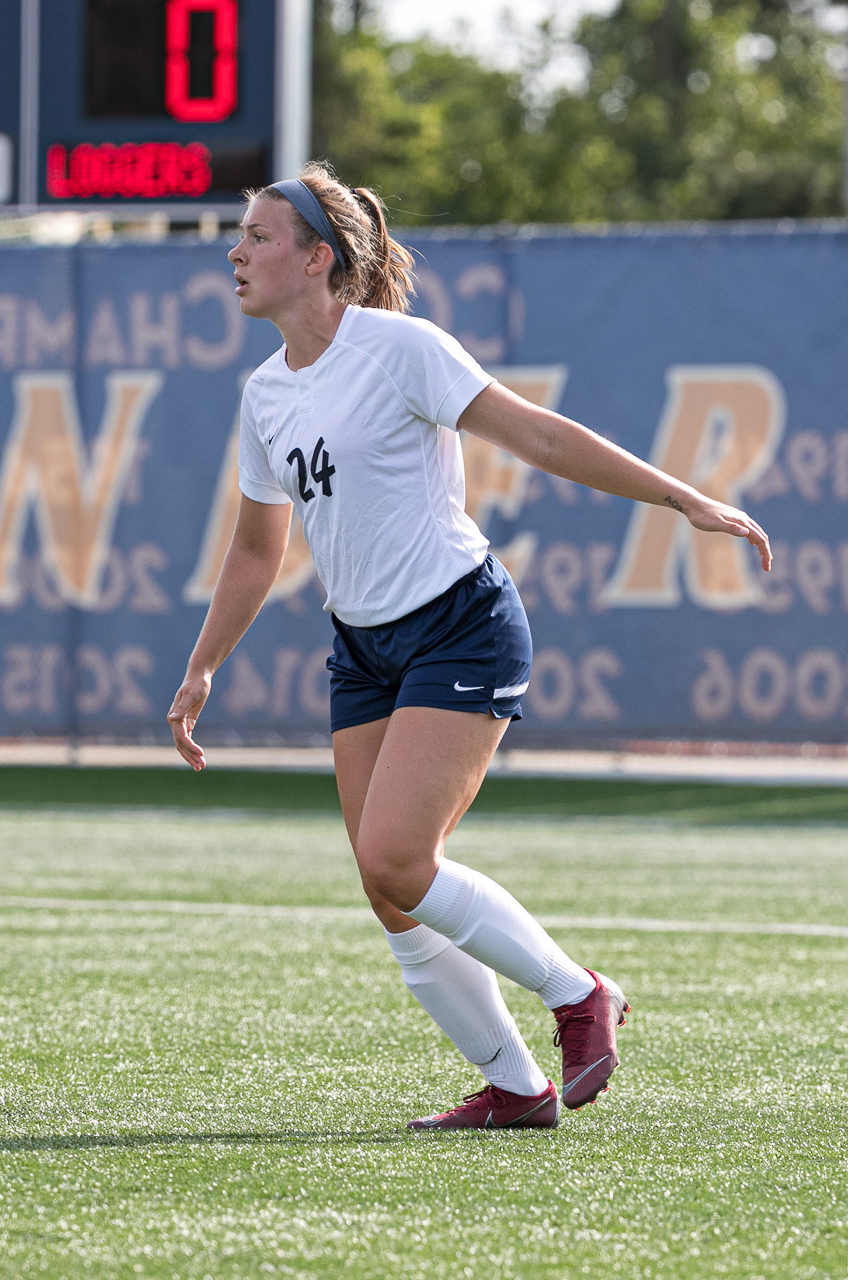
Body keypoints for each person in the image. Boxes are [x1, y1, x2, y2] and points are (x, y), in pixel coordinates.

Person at [167, 162, 773, 1131]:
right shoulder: (264, 395)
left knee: (402, 855)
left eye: (259, 235)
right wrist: (203, 664)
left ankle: (580, 992)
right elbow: (254, 547)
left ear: (319, 258)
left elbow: (537, 436)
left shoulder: (400, 349)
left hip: (460, 621)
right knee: (389, 887)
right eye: (239, 235)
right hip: (363, 647)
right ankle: (518, 1086)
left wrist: (681, 495)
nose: (235, 252)